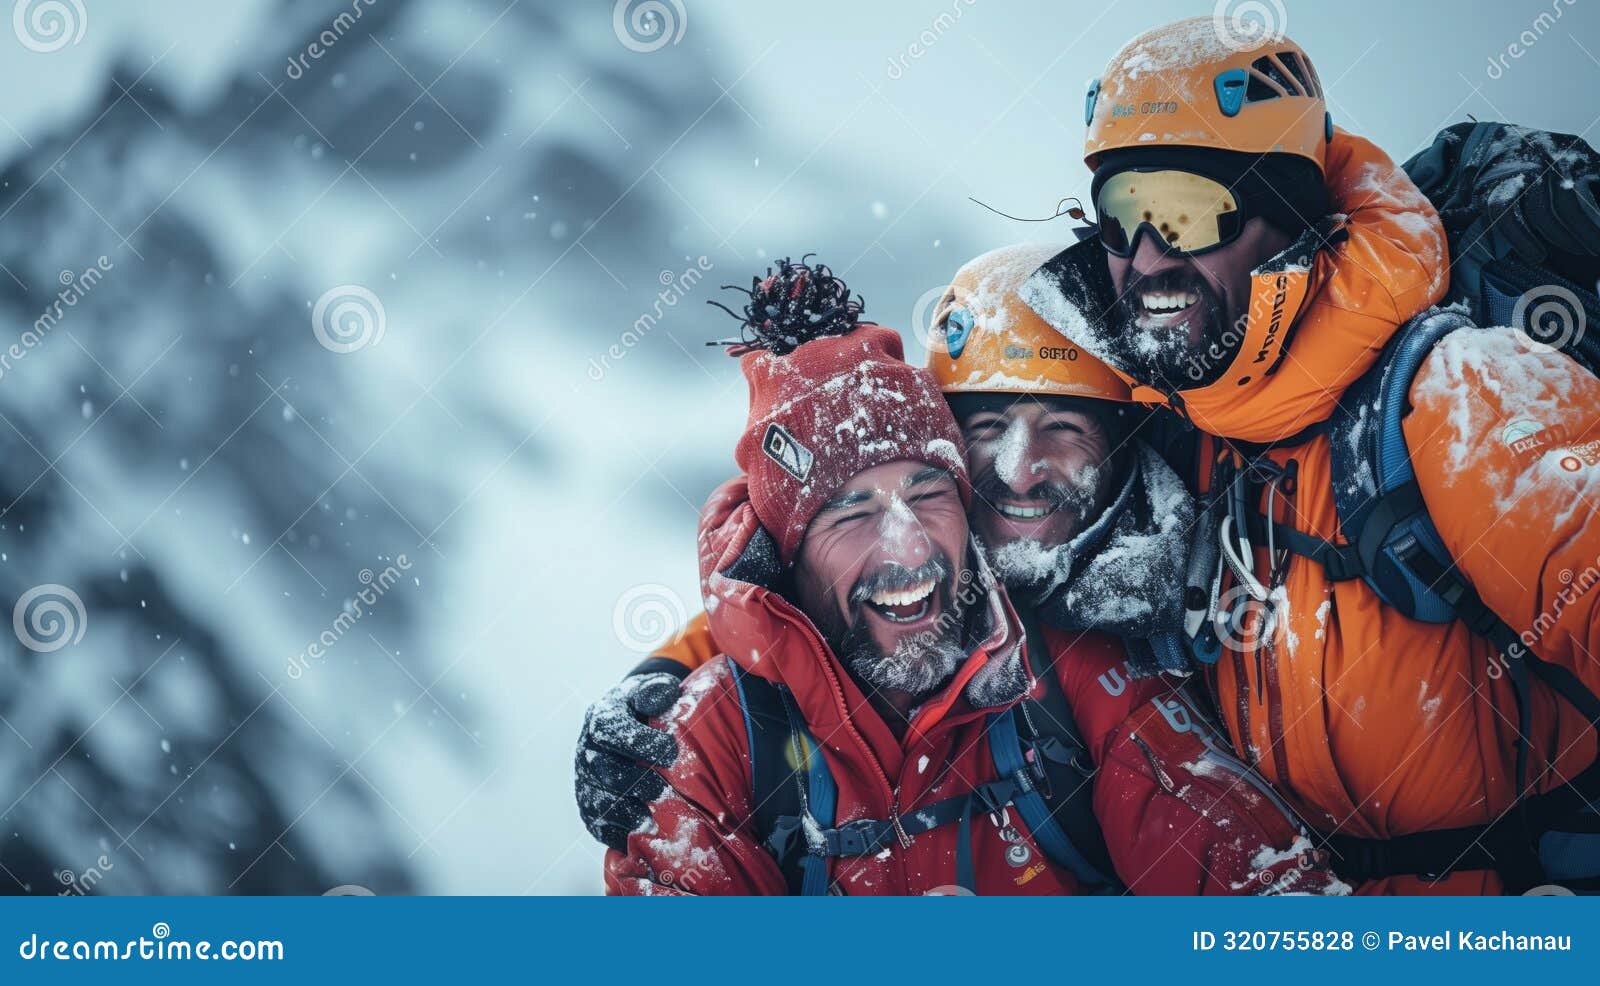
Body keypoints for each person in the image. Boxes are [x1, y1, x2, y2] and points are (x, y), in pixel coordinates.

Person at [1015, 16, 1600, 893]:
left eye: (1184, 212)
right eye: (1122, 216)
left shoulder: (1457, 395)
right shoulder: (1183, 427)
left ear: (1290, 220)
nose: (1144, 258)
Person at [598, 257, 1341, 895]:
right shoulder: (707, 749)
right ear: (789, 554)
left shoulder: (1072, 677)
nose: (910, 543)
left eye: (927, 493)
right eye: (851, 512)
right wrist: (661, 673)